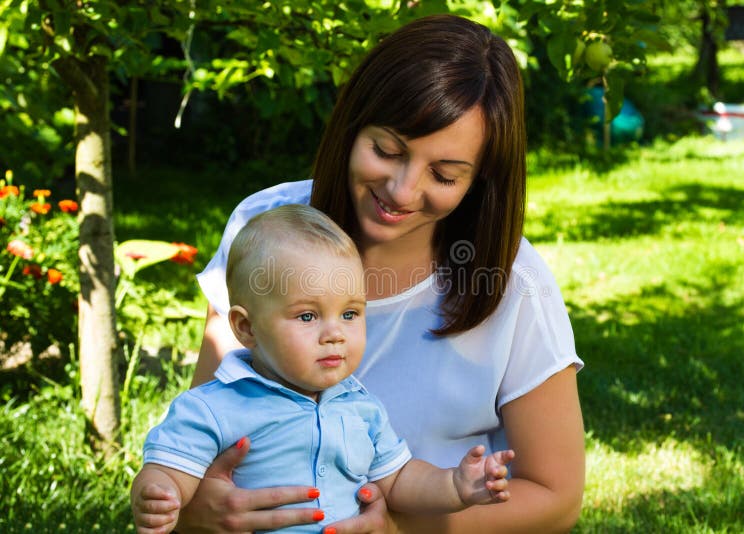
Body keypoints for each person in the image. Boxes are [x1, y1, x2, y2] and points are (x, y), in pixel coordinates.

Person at [178, 13, 585, 534]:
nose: (401, 190)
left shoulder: (512, 282)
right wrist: (200, 508)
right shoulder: (265, 231)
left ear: (480, 178)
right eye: (387, 150)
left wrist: (398, 529)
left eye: (443, 174)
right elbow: (203, 432)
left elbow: (557, 496)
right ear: (353, 125)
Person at [131, 205, 515, 534]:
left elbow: (398, 479)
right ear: (246, 328)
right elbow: (169, 469)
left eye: (350, 313)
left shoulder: (359, 405)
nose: (334, 334)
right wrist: (158, 494)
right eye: (307, 315)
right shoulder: (215, 407)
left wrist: (455, 485)